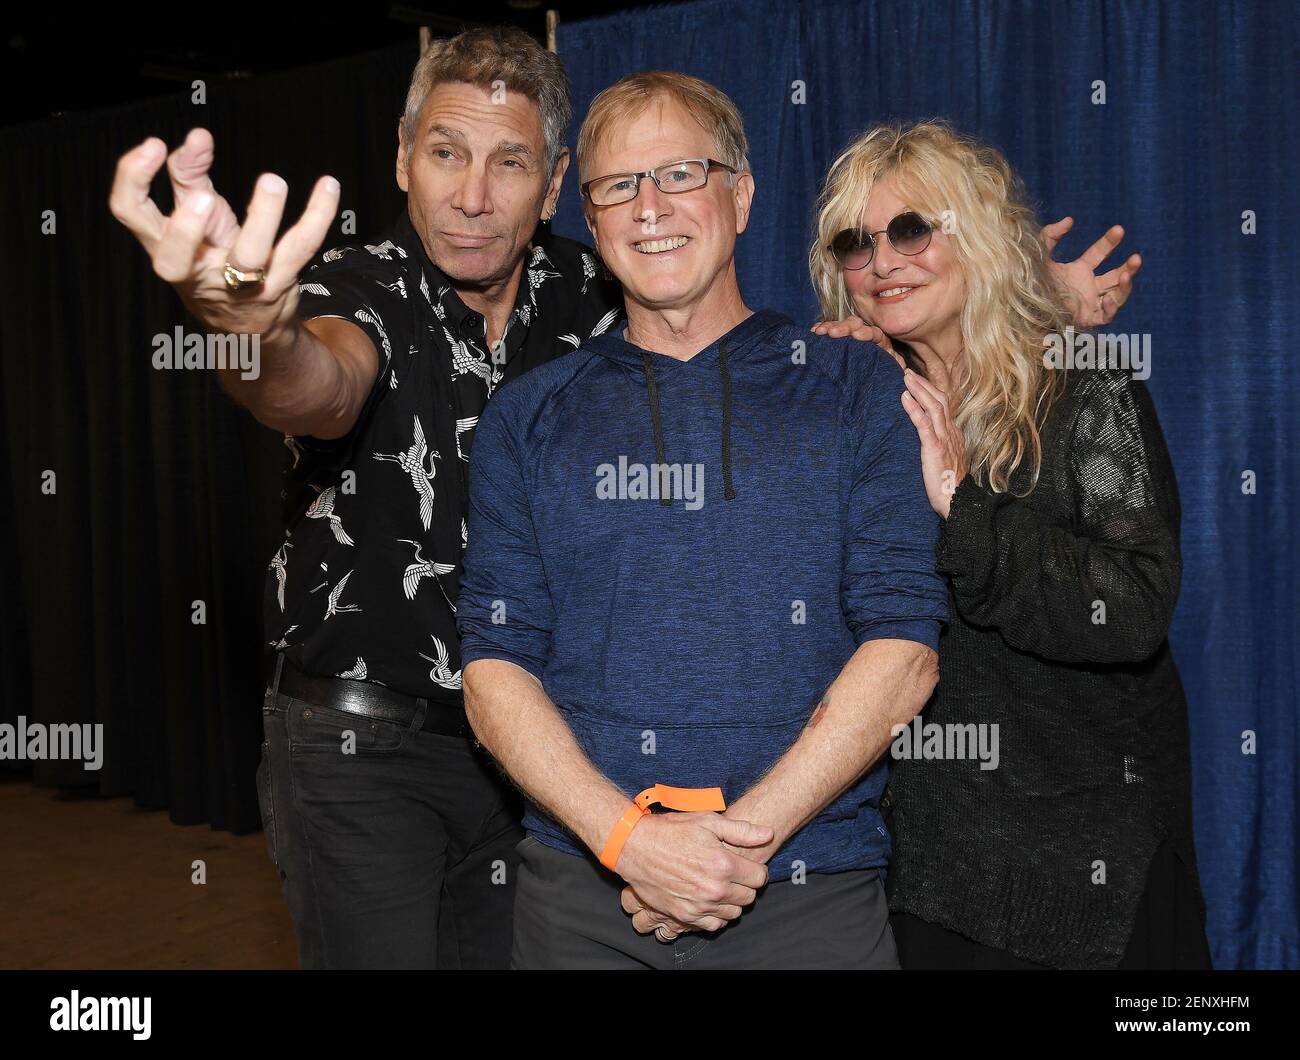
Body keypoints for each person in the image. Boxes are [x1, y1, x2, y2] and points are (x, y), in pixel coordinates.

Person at [108, 26, 621, 969]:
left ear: (552, 185)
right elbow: (318, 380)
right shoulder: (360, 286)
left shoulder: (588, 296)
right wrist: (249, 329)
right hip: (363, 753)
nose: (471, 196)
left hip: (540, 759)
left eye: (509, 163)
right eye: (444, 154)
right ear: (401, 156)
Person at [456, 71, 950, 970]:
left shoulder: (856, 387)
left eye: (682, 173)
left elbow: (905, 647)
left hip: (809, 890)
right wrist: (633, 845)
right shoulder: (525, 420)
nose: (650, 207)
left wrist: (732, 848)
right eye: (619, 186)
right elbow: (493, 670)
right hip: (584, 897)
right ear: (591, 220)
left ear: (743, 195)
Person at [809, 120, 1211, 969]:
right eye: (856, 242)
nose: (883, 261)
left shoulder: (1084, 387)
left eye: (913, 229)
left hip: (1084, 863)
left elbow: (1130, 609)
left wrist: (963, 505)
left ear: (976, 236)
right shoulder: (861, 404)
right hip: (922, 862)